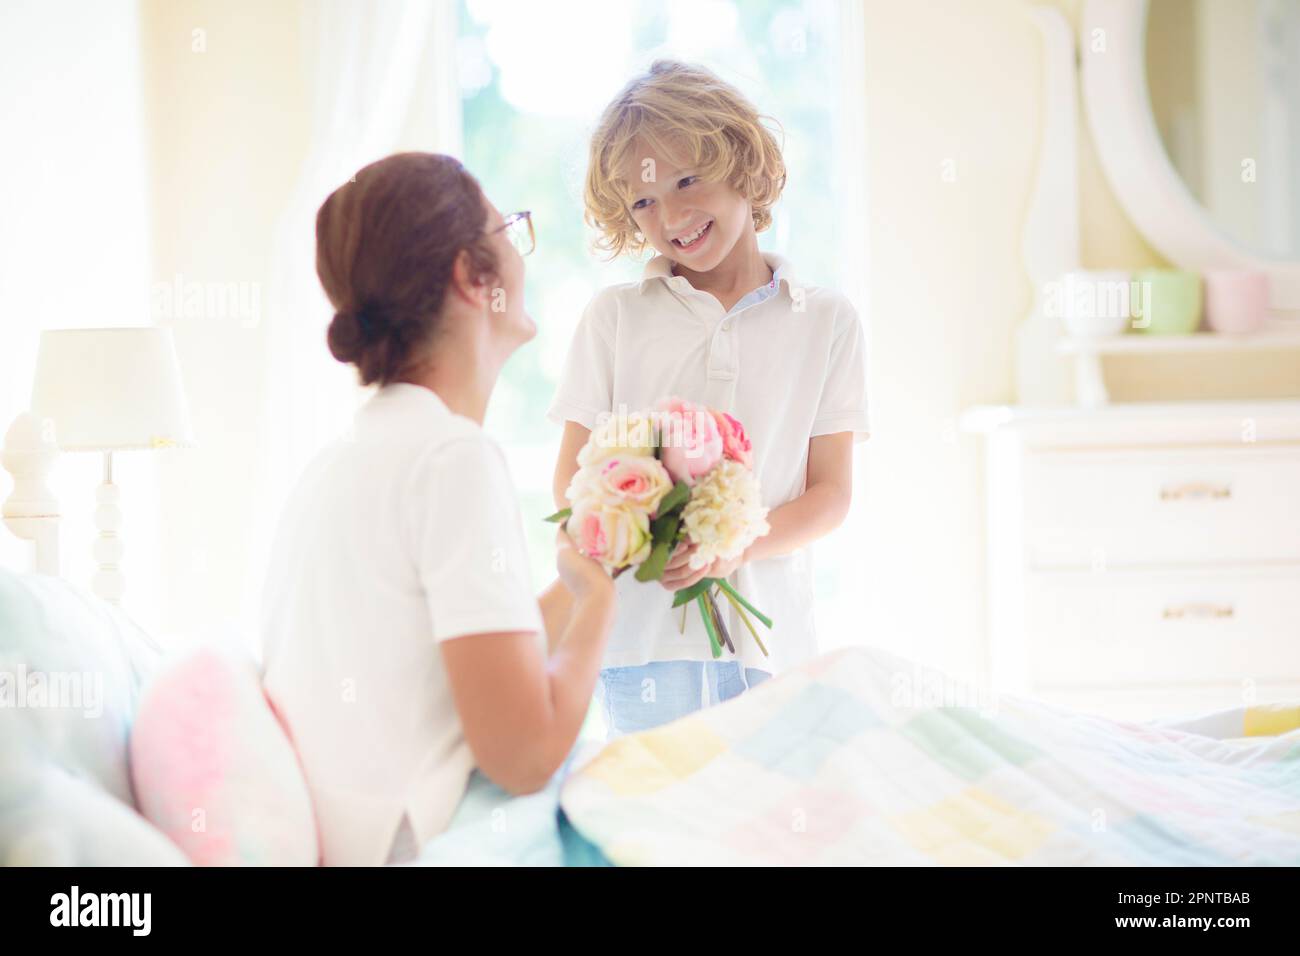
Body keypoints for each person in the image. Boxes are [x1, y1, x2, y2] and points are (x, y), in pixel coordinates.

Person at [261, 152, 615, 866]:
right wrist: (604, 604)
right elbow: (524, 753)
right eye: (506, 229)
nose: (521, 251)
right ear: (468, 275)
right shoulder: (453, 461)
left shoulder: (344, 462)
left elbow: (479, 660)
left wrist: (598, 570)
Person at [549, 60, 869, 737]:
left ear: (744, 166)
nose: (670, 217)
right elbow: (569, 482)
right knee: (657, 833)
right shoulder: (614, 319)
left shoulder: (826, 321)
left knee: (764, 830)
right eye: (643, 202)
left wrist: (736, 549)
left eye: (686, 180)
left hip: (771, 647)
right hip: (640, 651)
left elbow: (830, 495)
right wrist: (632, 526)